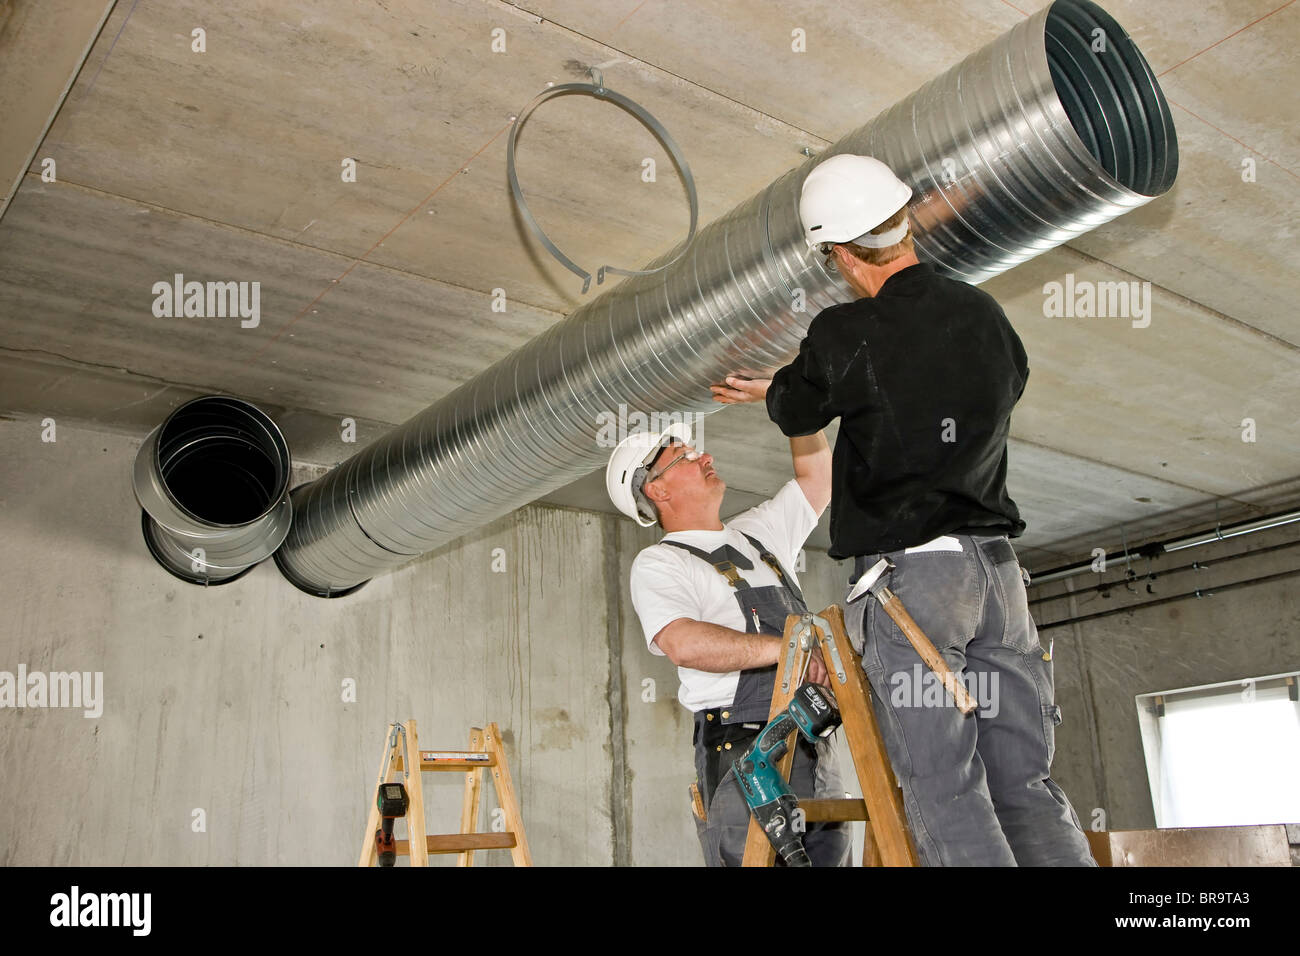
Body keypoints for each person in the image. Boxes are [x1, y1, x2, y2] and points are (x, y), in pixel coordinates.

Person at [712, 154, 1096, 866]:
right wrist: (841, 383)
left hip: (917, 587)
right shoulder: (981, 314)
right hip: (998, 580)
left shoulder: (842, 332)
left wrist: (799, 383)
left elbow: (799, 405)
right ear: (902, 223)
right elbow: (975, 382)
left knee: (944, 788)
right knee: (1024, 783)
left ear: (840, 255)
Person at [607, 421, 851, 866]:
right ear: (658, 490)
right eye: (684, 457)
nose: (707, 458)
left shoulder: (760, 535)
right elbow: (683, 642)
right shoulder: (662, 562)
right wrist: (789, 649)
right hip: (746, 750)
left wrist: (794, 402)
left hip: (817, 745)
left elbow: (819, 478)